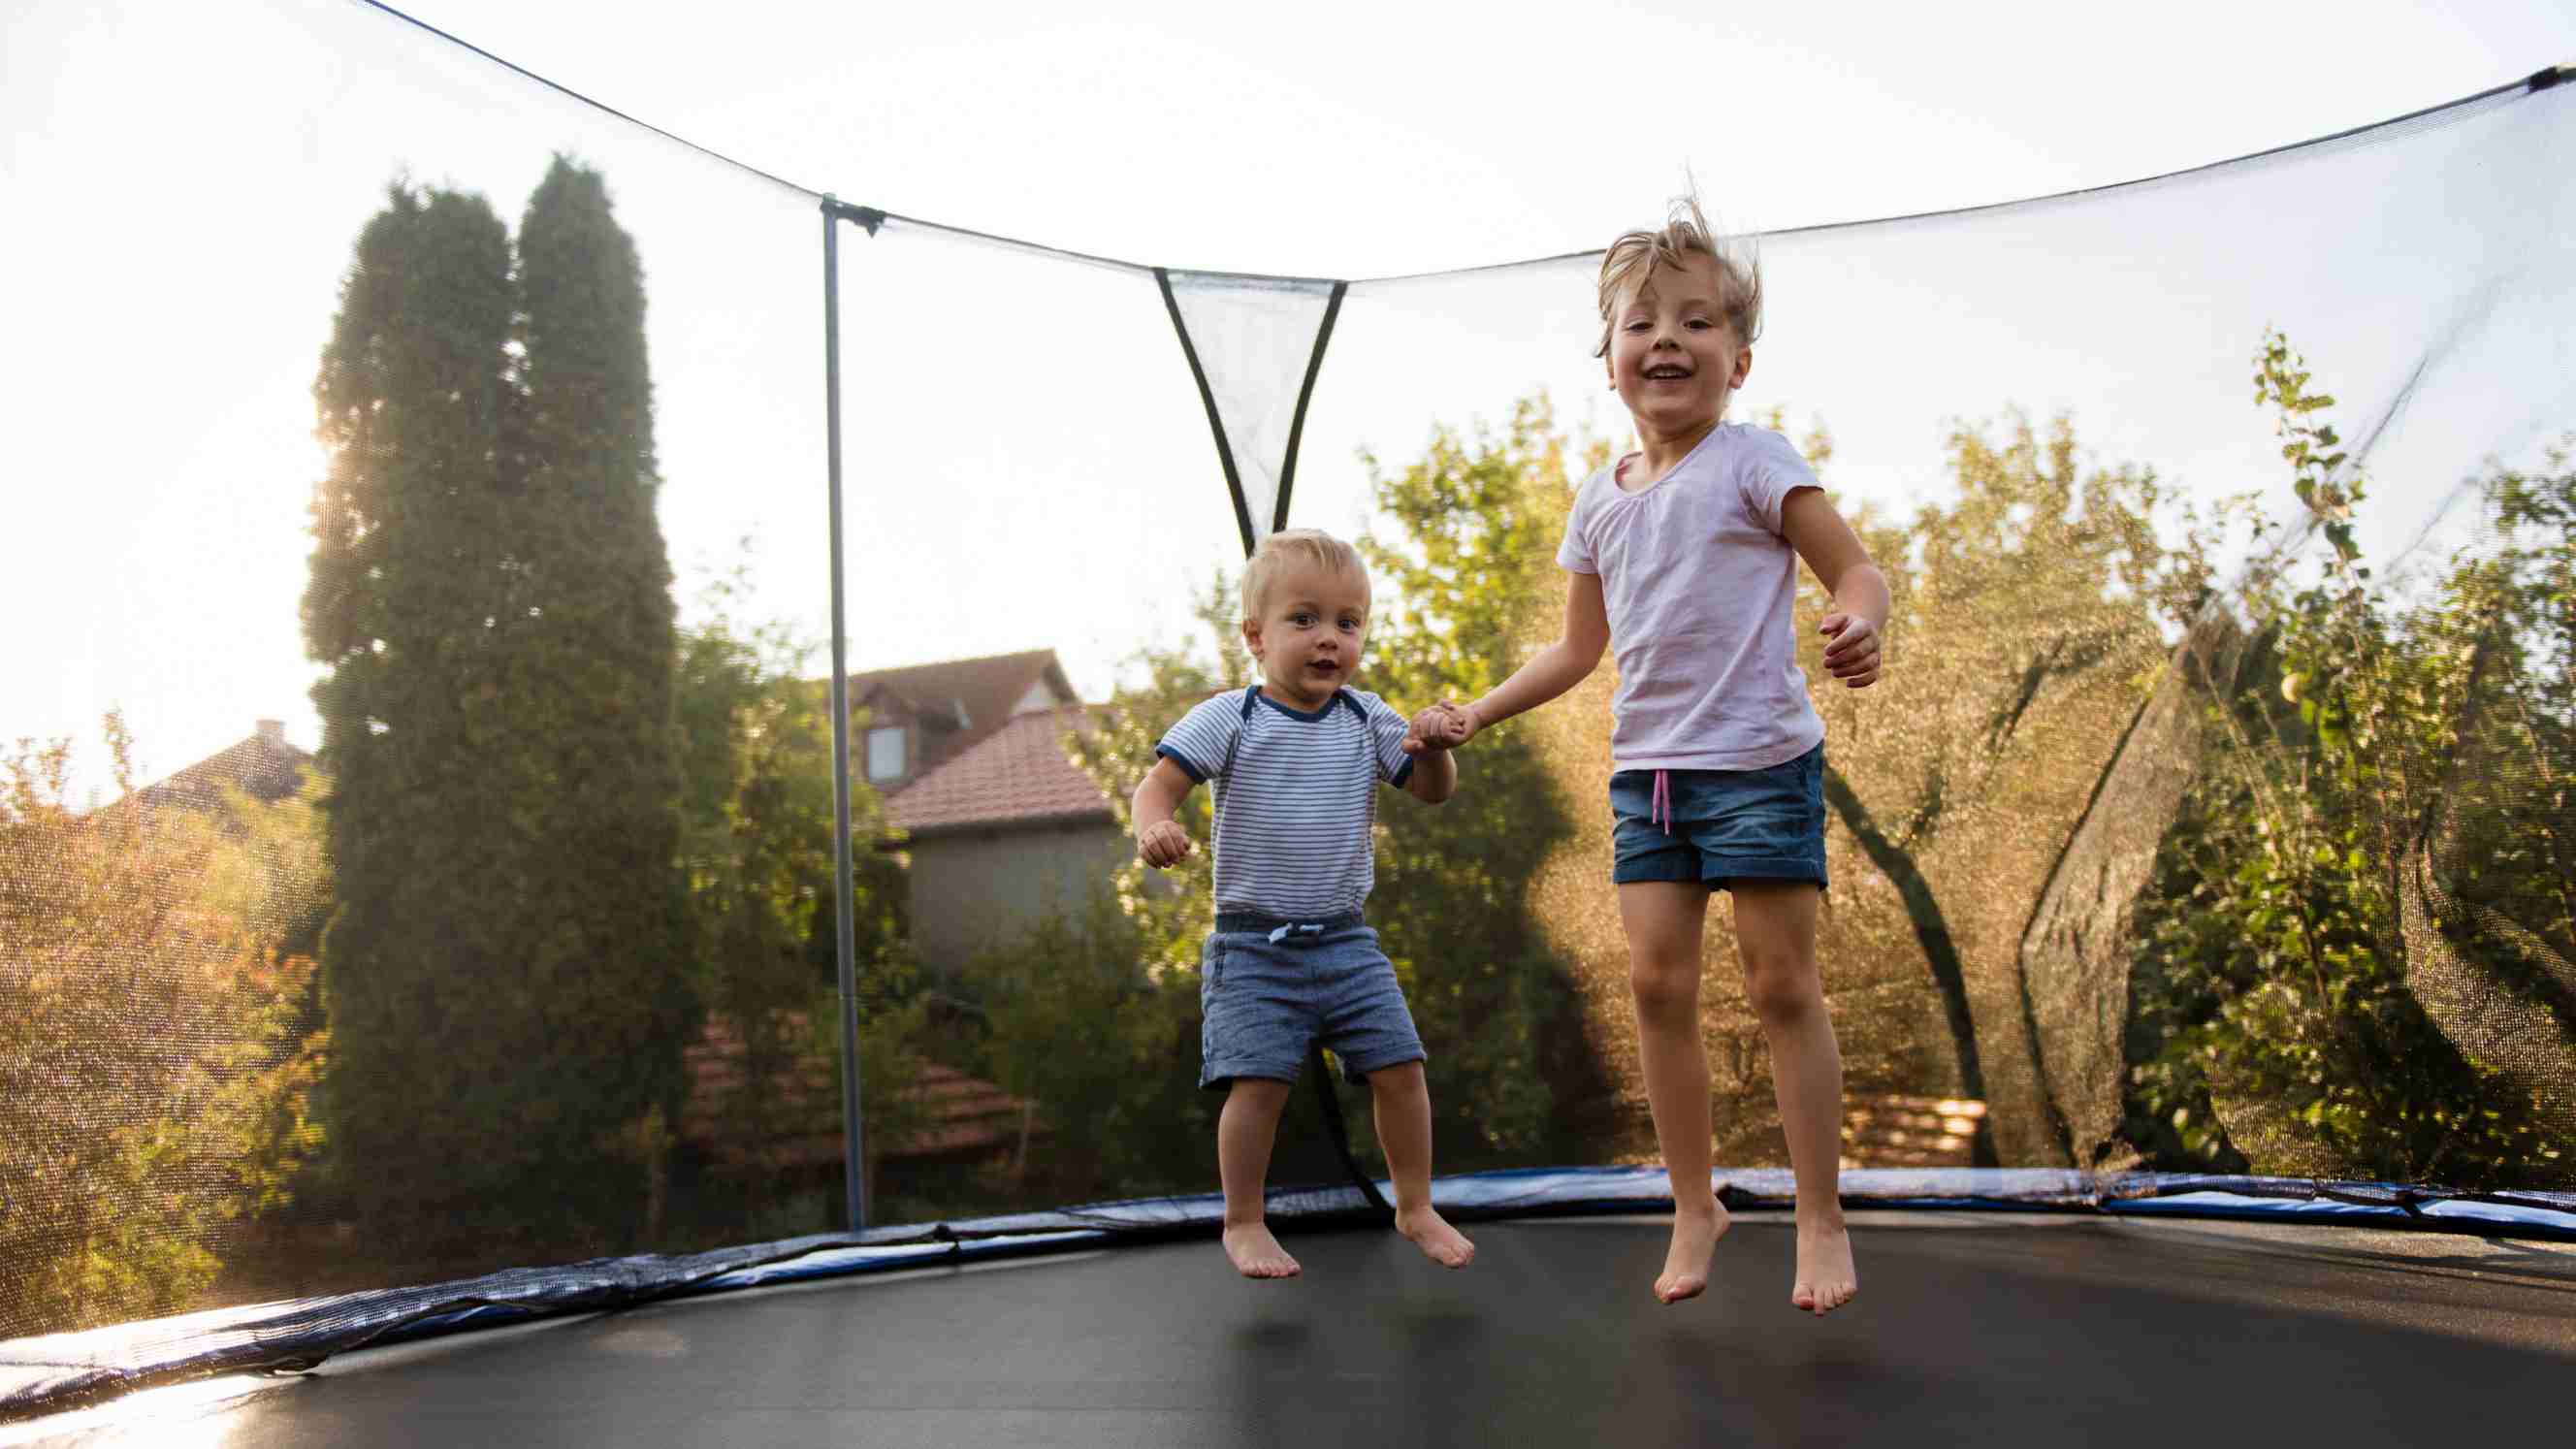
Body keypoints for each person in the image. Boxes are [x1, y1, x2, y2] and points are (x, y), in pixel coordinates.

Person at [1410, 196, 1886, 1315]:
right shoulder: (1599, 501)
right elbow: (1578, 648)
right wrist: (1477, 712)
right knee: (1656, 986)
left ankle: (1820, 1218)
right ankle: (1694, 1202)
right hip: (1650, 777)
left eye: (1697, 321)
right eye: (1640, 323)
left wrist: (1862, 620)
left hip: (1760, 762)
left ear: (1739, 359)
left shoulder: (1754, 461)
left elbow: (1853, 570)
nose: (1666, 338)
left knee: (1780, 987)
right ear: (1609, 362)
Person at [1132, 527, 1478, 1280]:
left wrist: (1435, 747)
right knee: (1258, 1084)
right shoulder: (1234, 716)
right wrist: (1156, 825)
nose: (1329, 640)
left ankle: (1414, 1206)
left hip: (1347, 942)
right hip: (1254, 947)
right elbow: (1158, 784)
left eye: (1347, 624)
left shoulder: (1367, 718)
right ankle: (1245, 1220)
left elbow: (1431, 792)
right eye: (1305, 620)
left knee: (1403, 1069)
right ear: (1257, 637)